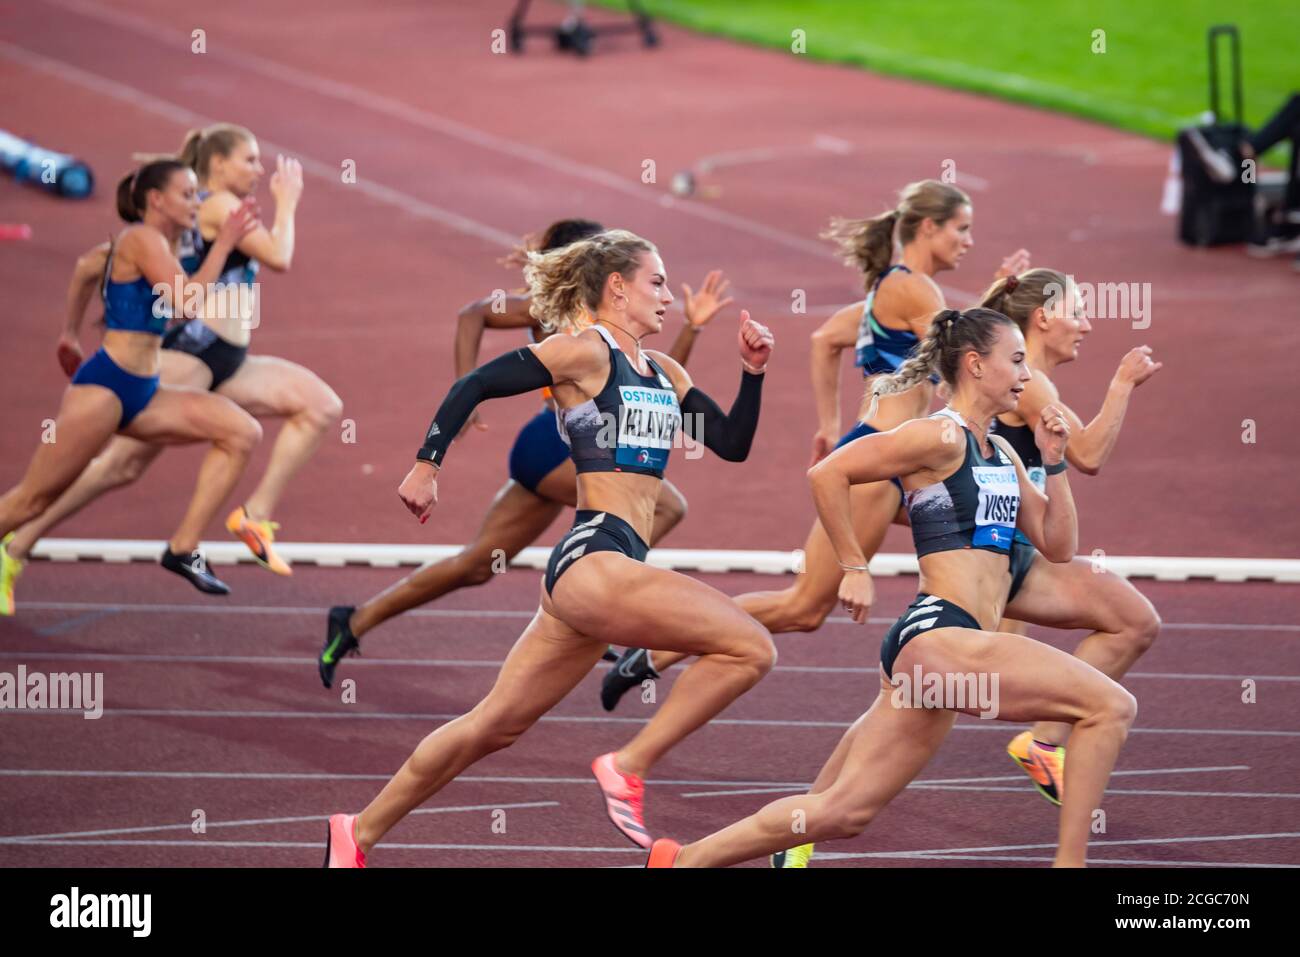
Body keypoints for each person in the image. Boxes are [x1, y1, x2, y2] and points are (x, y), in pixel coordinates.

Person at [324, 229, 776, 865]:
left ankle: (356, 835)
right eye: (658, 283)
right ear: (616, 287)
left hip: (597, 574)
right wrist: (427, 464)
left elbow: (729, 442)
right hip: (596, 555)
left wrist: (752, 373)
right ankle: (628, 763)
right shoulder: (583, 353)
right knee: (751, 646)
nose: (669, 297)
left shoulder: (667, 373)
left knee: (493, 727)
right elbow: (475, 384)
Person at [645, 306, 1136, 869]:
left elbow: (1059, 546)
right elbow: (827, 472)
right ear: (976, 366)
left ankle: (680, 862)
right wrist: (854, 566)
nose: (1028, 375)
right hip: (940, 638)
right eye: (1017, 360)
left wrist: (1054, 465)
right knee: (1109, 706)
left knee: (843, 813)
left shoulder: (1000, 453)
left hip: (945, 654)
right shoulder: (937, 436)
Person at [317, 219, 735, 687]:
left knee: (478, 563)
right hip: (552, 444)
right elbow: (472, 314)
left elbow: (654, 386)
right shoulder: (561, 313)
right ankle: (596, 602)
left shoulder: (616, 324)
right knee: (665, 505)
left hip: (571, 447)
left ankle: (353, 619)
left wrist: (694, 328)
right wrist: (465, 395)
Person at [2, 125, 341, 596]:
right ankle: (16, 548)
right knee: (93, 475)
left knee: (310, 409)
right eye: (249, 160)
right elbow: (270, 261)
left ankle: (238, 524)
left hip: (222, 359)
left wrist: (69, 333)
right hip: (179, 358)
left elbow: (87, 267)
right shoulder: (213, 207)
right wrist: (287, 201)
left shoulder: (171, 229)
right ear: (217, 164)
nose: (260, 170)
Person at [0, 159, 262, 613]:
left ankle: (183, 548)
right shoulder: (142, 239)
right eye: (187, 193)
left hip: (144, 391)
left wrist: (68, 333)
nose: (196, 202)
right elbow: (186, 303)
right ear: (156, 199)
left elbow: (86, 268)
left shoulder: (165, 244)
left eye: (198, 194)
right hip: (104, 389)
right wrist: (225, 244)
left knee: (242, 432)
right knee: (29, 502)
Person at [977, 270, 1161, 804]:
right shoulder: (1029, 381)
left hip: (1015, 556)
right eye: (1077, 313)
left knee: (1134, 623)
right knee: (913, 710)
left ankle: (1044, 741)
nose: (1085, 326)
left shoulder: (1032, 380)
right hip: (981, 560)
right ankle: (808, 817)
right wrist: (1121, 384)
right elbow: (1090, 455)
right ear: (1042, 318)